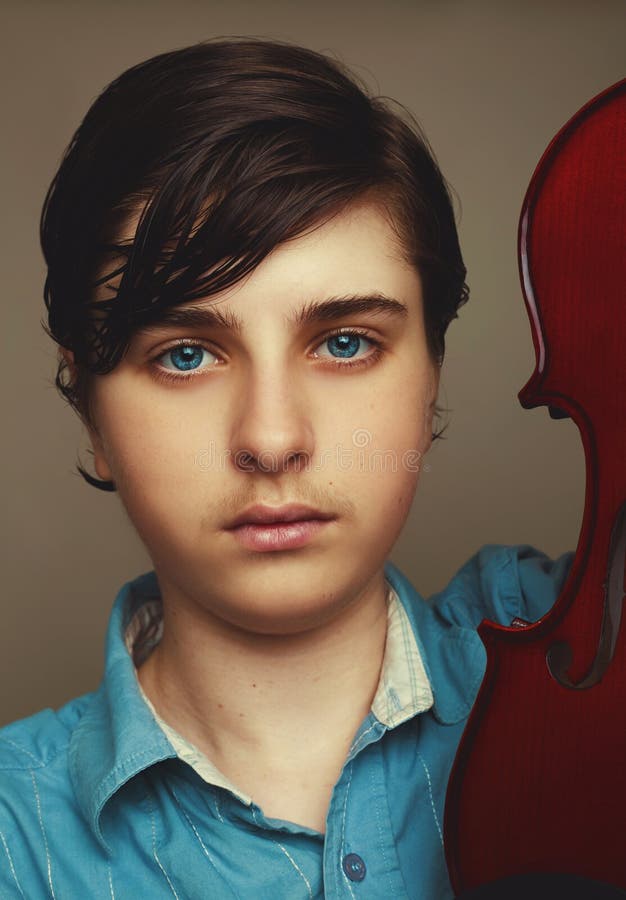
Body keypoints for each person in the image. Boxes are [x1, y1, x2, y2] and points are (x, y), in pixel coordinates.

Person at [0, 37, 577, 898]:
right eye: (187, 355)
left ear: (433, 377)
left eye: (346, 343)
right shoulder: (15, 832)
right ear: (89, 408)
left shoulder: (582, 650)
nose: (272, 441)